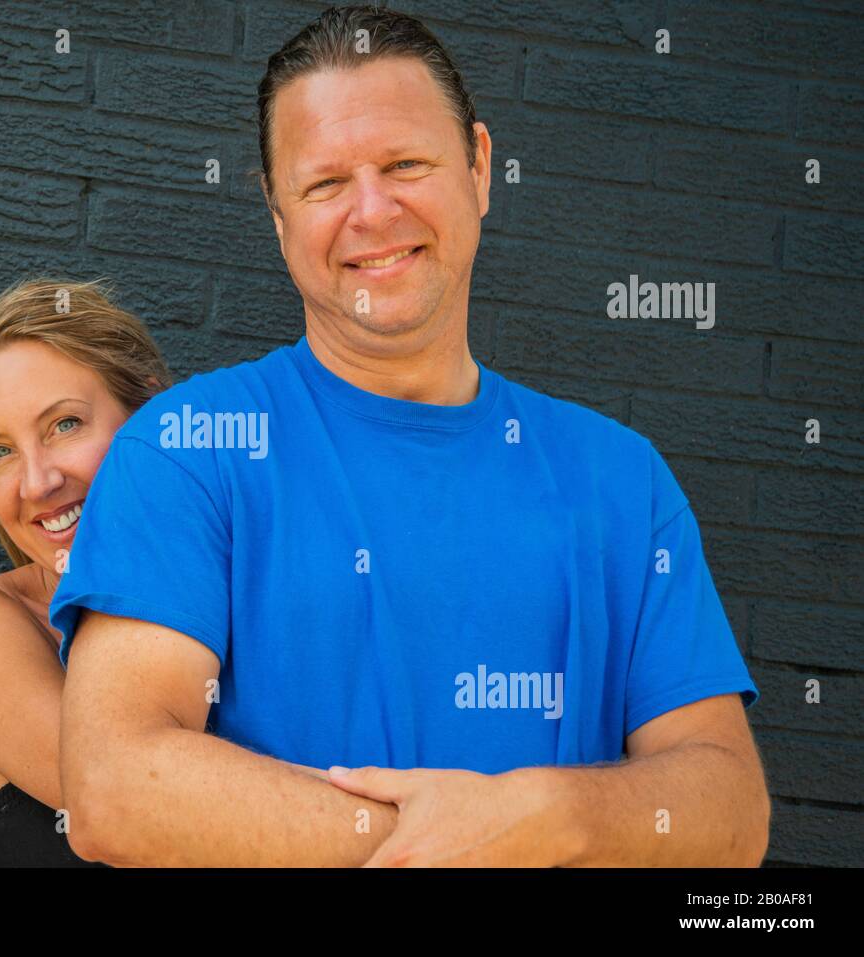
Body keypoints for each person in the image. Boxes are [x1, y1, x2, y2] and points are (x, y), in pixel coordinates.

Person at [50, 5, 770, 867]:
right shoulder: (189, 450)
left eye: (405, 164)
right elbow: (116, 788)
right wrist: (456, 840)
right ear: (279, 219)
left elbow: (730, 810)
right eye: (323, 185)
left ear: (480, 168)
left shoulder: (622, 480)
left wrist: (547, 813)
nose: (372, 210)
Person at [0, 276, 171, 867]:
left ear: (153, 416)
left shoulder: (233, 606)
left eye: (64, 425)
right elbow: (120, 803)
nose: (38, 484)